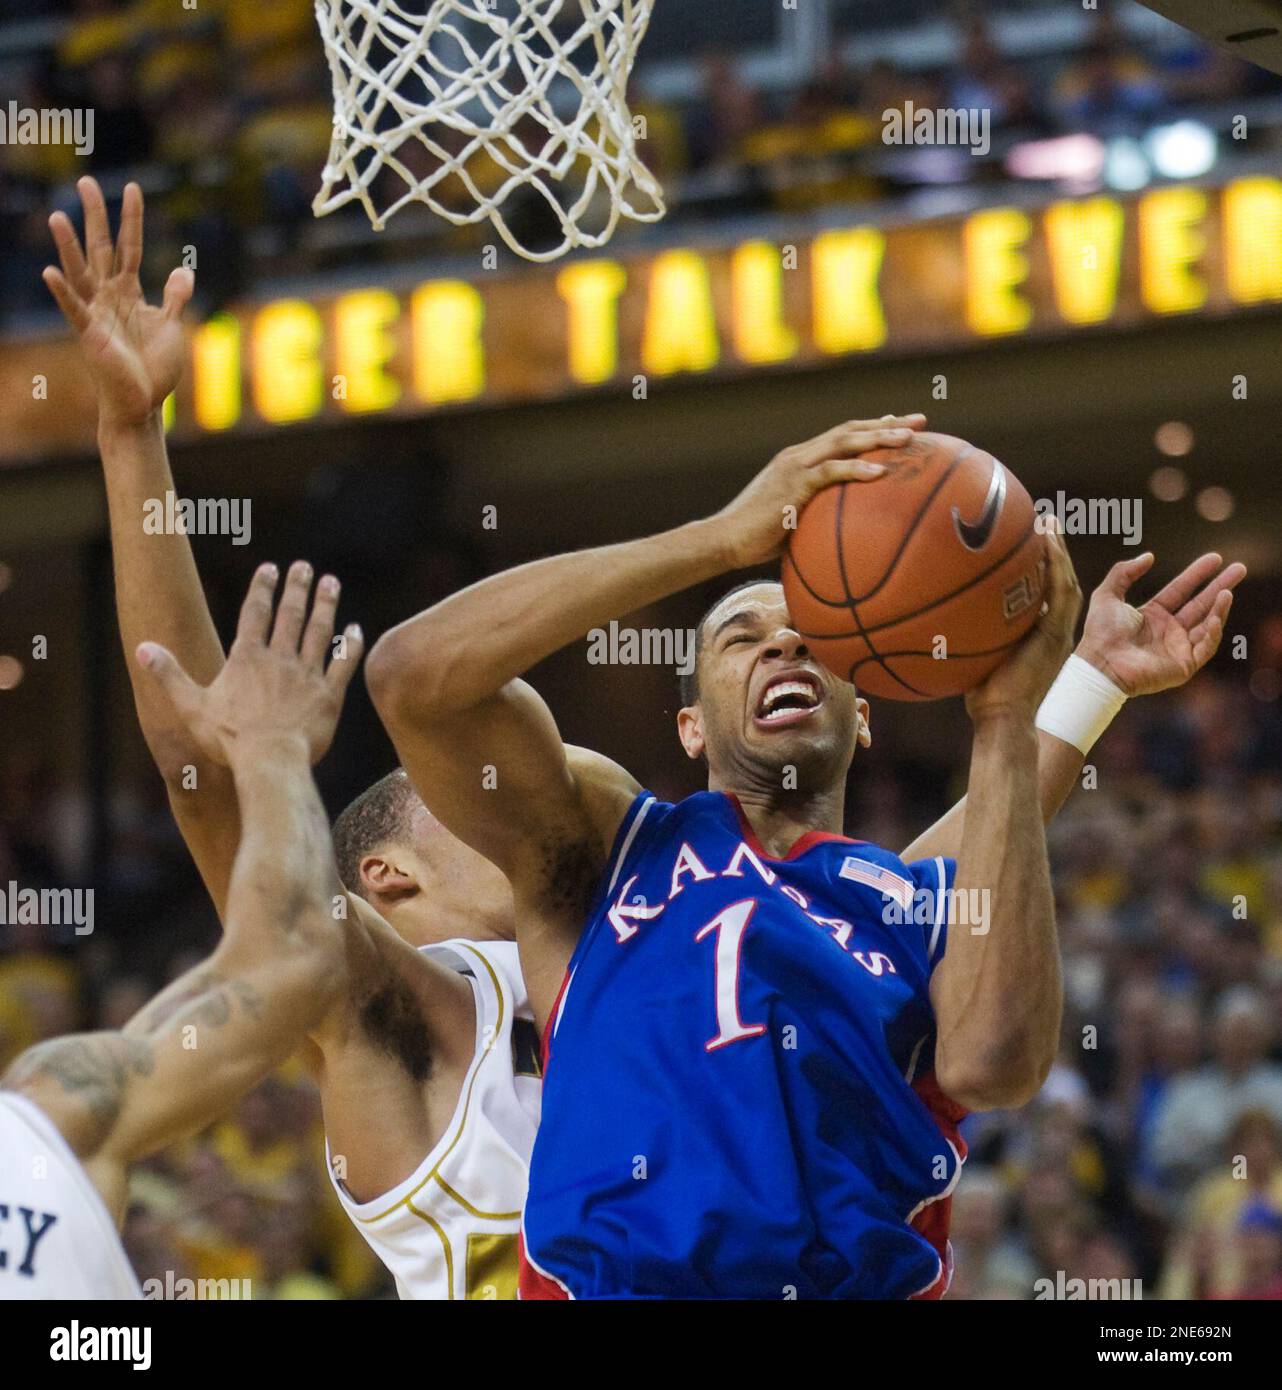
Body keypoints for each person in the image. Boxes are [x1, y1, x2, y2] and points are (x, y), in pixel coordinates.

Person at [367, 417, 1242, 1299]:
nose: (785, 645)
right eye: (742, 639)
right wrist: (722, 537)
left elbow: (997, 1065)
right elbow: (413, 674)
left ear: (864, 715)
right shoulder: (606, 847)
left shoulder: (910, 903)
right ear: (692, 726)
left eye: (813, 638)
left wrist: (1025, 712)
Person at [42, 177, 539, 1300]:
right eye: (455, 805)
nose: (495, 802)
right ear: (384, 878)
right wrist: (132, 440)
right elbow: (204, 773)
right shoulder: (394, 1012)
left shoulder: (624, 953)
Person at [0, 566, 359, 1297]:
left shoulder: (52, 1116)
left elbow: (287, 962)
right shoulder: (54, 1113)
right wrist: (271, 747)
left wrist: (128, 448)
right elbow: (292, 959)